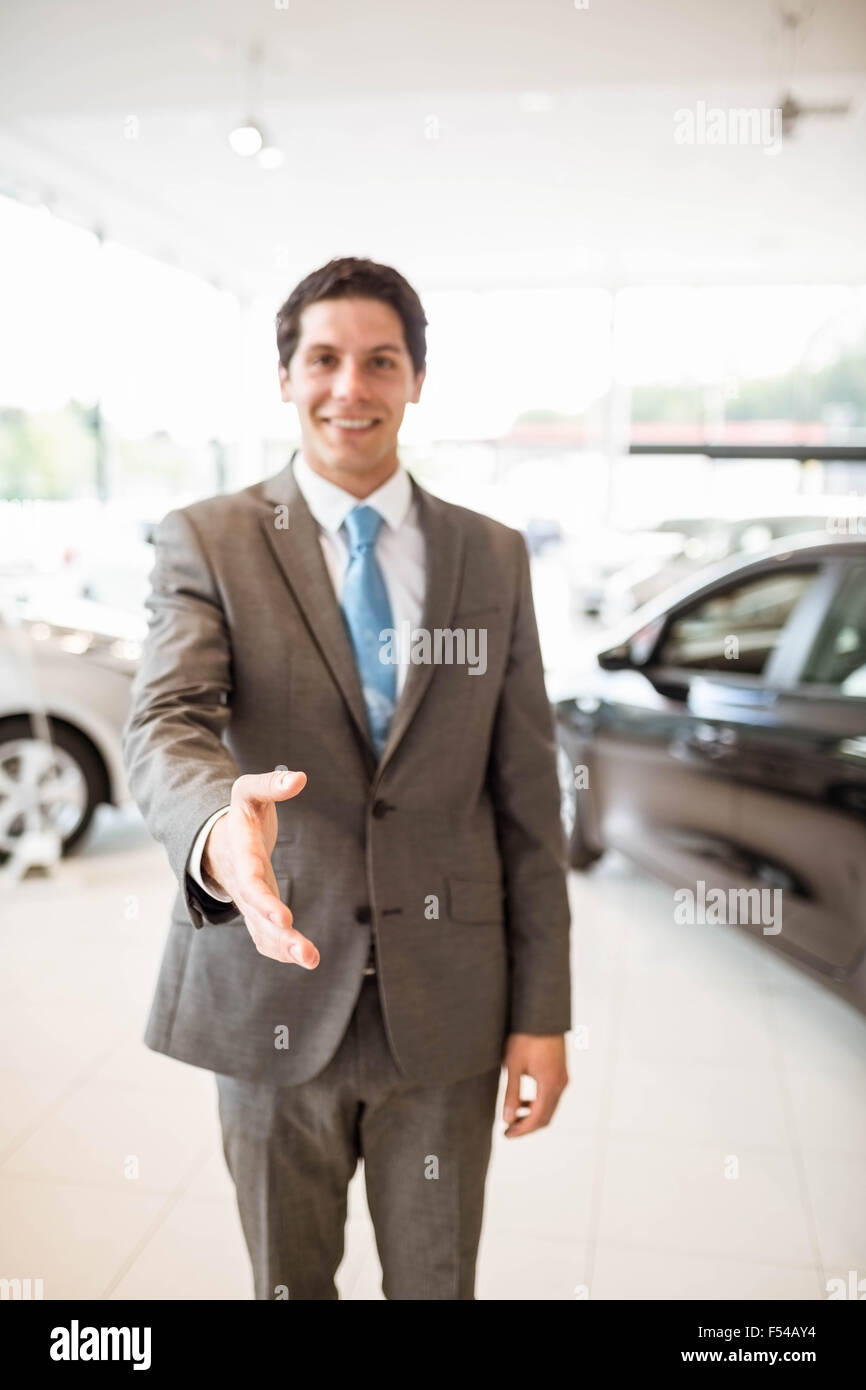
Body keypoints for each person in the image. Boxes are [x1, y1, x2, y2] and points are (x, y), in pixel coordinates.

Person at [122, 256, 571, 1300]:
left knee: (435, 1281)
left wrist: (542, 1011)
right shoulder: (211, 539)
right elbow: (166, 720)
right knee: (287, 1283)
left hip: (447, 1007)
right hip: (270, 986)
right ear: (285, 377)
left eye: (380, 361)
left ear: (415, 378)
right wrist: (217, 831)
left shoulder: (489, 556)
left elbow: (526, 797)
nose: (349, 388)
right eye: (322, 359)